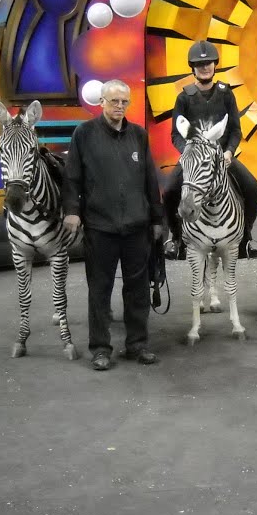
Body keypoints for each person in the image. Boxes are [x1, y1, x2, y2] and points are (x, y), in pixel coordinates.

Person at [63, 80, 165, 371]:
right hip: (100, 227)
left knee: (138, 290)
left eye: (124, 102)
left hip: (137, 227)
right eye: (114, 101)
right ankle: (100, 349)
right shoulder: (84, 134)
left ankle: (137, 345)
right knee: (99, 290)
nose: (119, 106)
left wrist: (157, 219)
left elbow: (150, 180)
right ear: (102, 102)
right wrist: (72, 211)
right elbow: (72, 177)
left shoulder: (139, 135)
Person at [161, 40, 257, 261]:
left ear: (215, 65)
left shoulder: (226, 94)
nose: (205, 67)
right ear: (193, 68)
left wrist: (229, 152)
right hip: (194, 158)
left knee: (254, 190)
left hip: (222, 157)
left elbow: (235, 130)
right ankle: (176, 240)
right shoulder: (183, 97)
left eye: (208, 63)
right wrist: (187, 151)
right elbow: (176, 134)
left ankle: (246, 238)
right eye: (200, 64)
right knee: (169, 191)